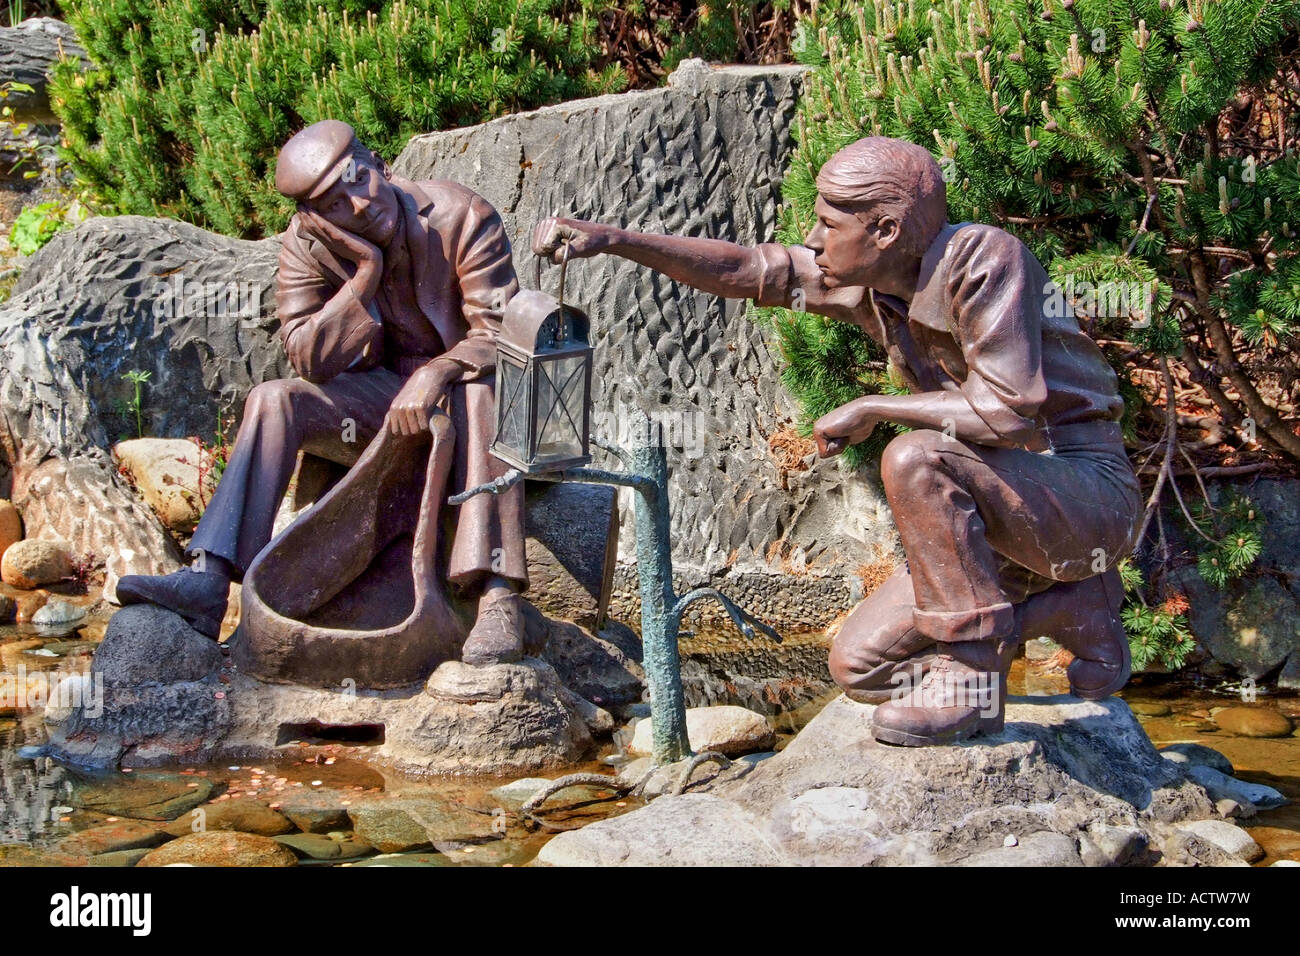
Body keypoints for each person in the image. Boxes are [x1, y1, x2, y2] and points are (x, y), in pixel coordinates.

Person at [532, 135, 1140, 745]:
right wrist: (615, 240)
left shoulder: (983, 259)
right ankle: (1069, 606)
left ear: (884, 230)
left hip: (1083, 495)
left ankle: (974, 684)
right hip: (1002, 524)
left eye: (827, 223)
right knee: (861, 667)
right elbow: (748, 270)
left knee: (917, 458)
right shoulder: (877, 285)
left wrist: (875, 407)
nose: (814, 240)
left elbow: (1009, 413)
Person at [117, 119, 529, 667]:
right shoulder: (306, 247)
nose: (357, 206)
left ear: (379, 164)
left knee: (481, 385)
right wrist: (364, 274)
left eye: (357, 180)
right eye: (333, 204)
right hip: (383, 403)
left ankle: (497, 594)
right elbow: (307, 355)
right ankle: (209, 584)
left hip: (465, 394)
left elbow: (500, 334)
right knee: (274, 399)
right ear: (311, 217)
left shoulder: (461, 215)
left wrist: (436, 372)